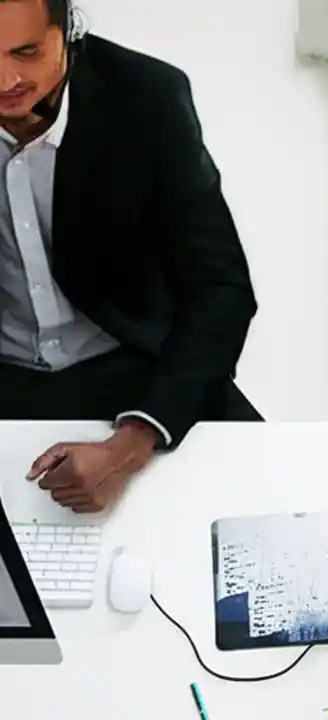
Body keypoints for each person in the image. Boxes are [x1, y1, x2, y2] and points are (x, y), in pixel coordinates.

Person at [0, 0, 259, 513]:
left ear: (68, 28)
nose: (5, 78)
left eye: (26, 52)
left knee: (269, 525)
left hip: (134, 367)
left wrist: (135, 441)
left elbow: (220, 290)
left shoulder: (146, 98)